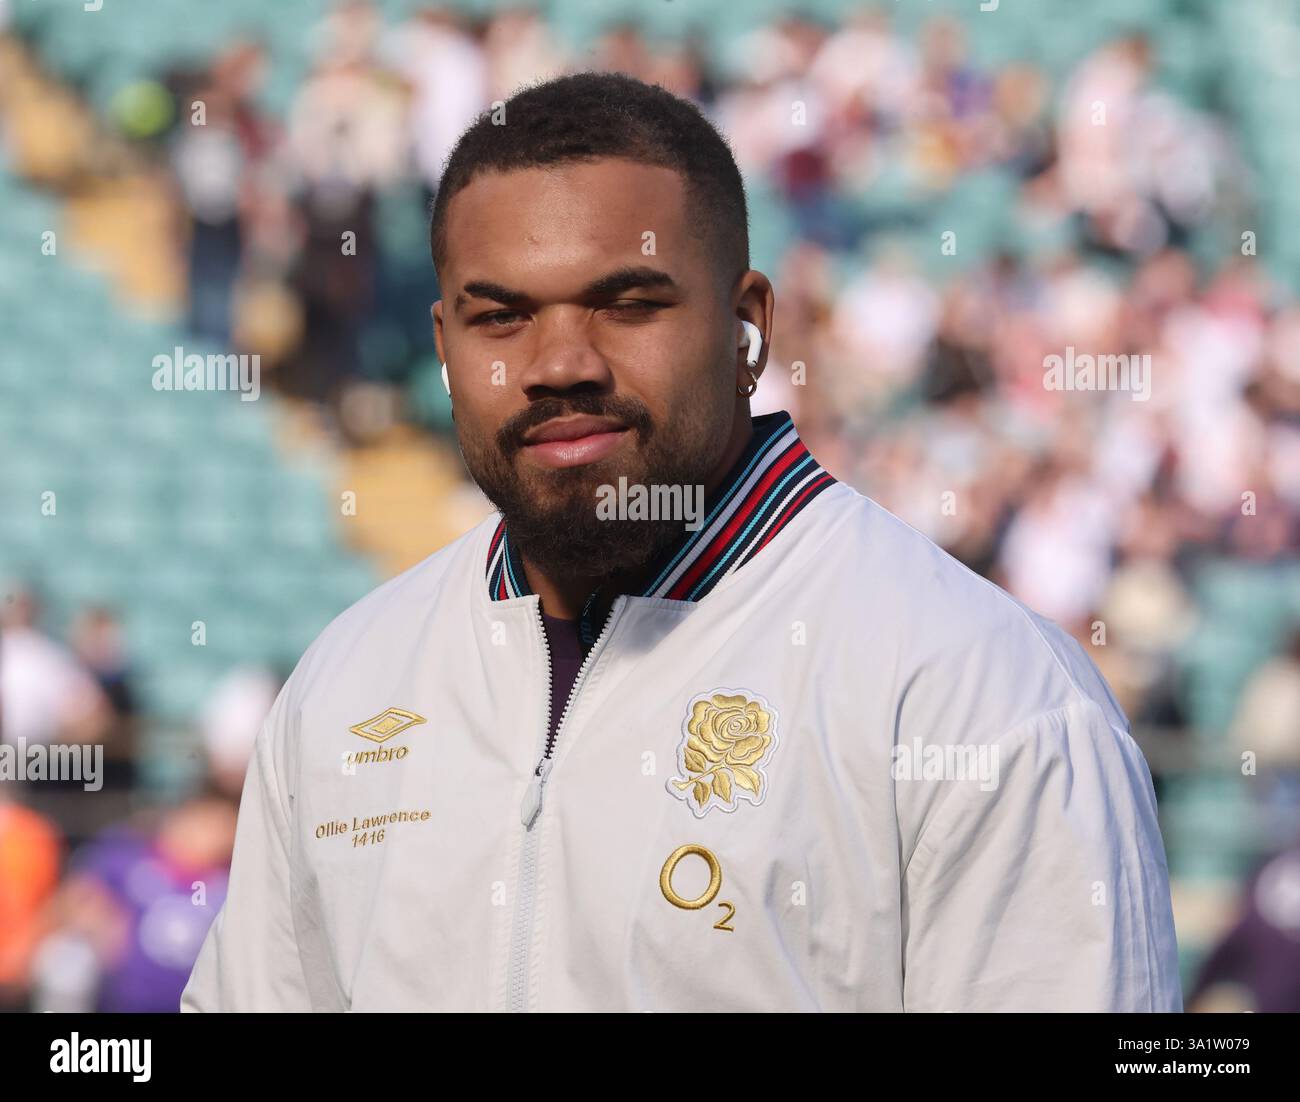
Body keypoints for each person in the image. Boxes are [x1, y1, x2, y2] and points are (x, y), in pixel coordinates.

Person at [182, 72, 1181, 1012]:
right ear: (444, 348)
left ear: (746, 328)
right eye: (501, 318)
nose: (560, 363)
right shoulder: (345, 687)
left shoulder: (976, 694)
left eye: (627, 303)